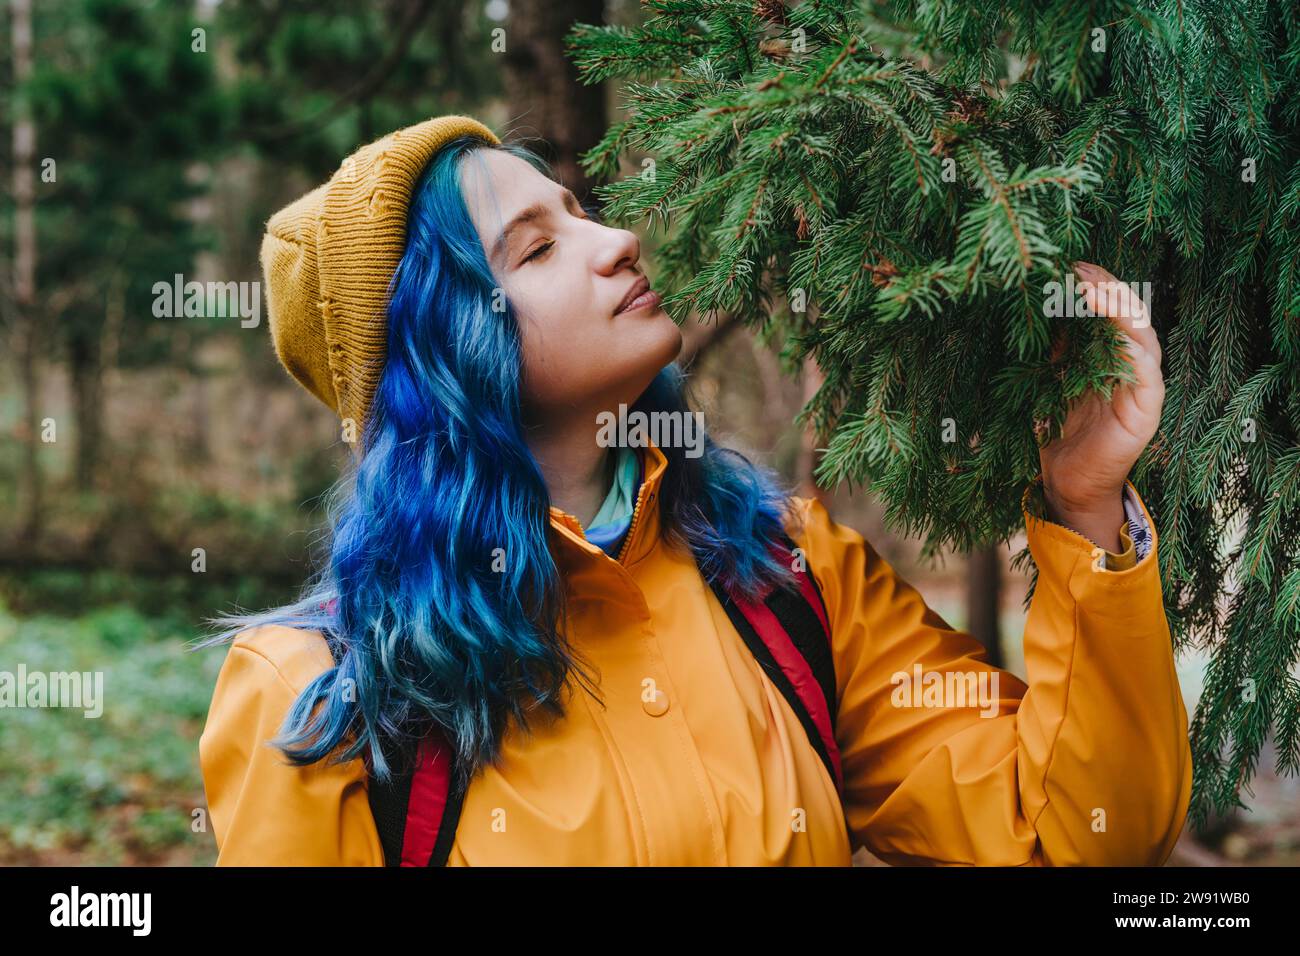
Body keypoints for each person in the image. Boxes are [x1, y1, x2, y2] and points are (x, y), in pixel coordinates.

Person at [194, 114, 1191, 866]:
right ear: (444, 353)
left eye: (577, 211)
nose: (615, 239)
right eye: (535, 247)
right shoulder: (321, 694)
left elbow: (1071, 829)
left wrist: (1086, 504)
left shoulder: (788, 570)